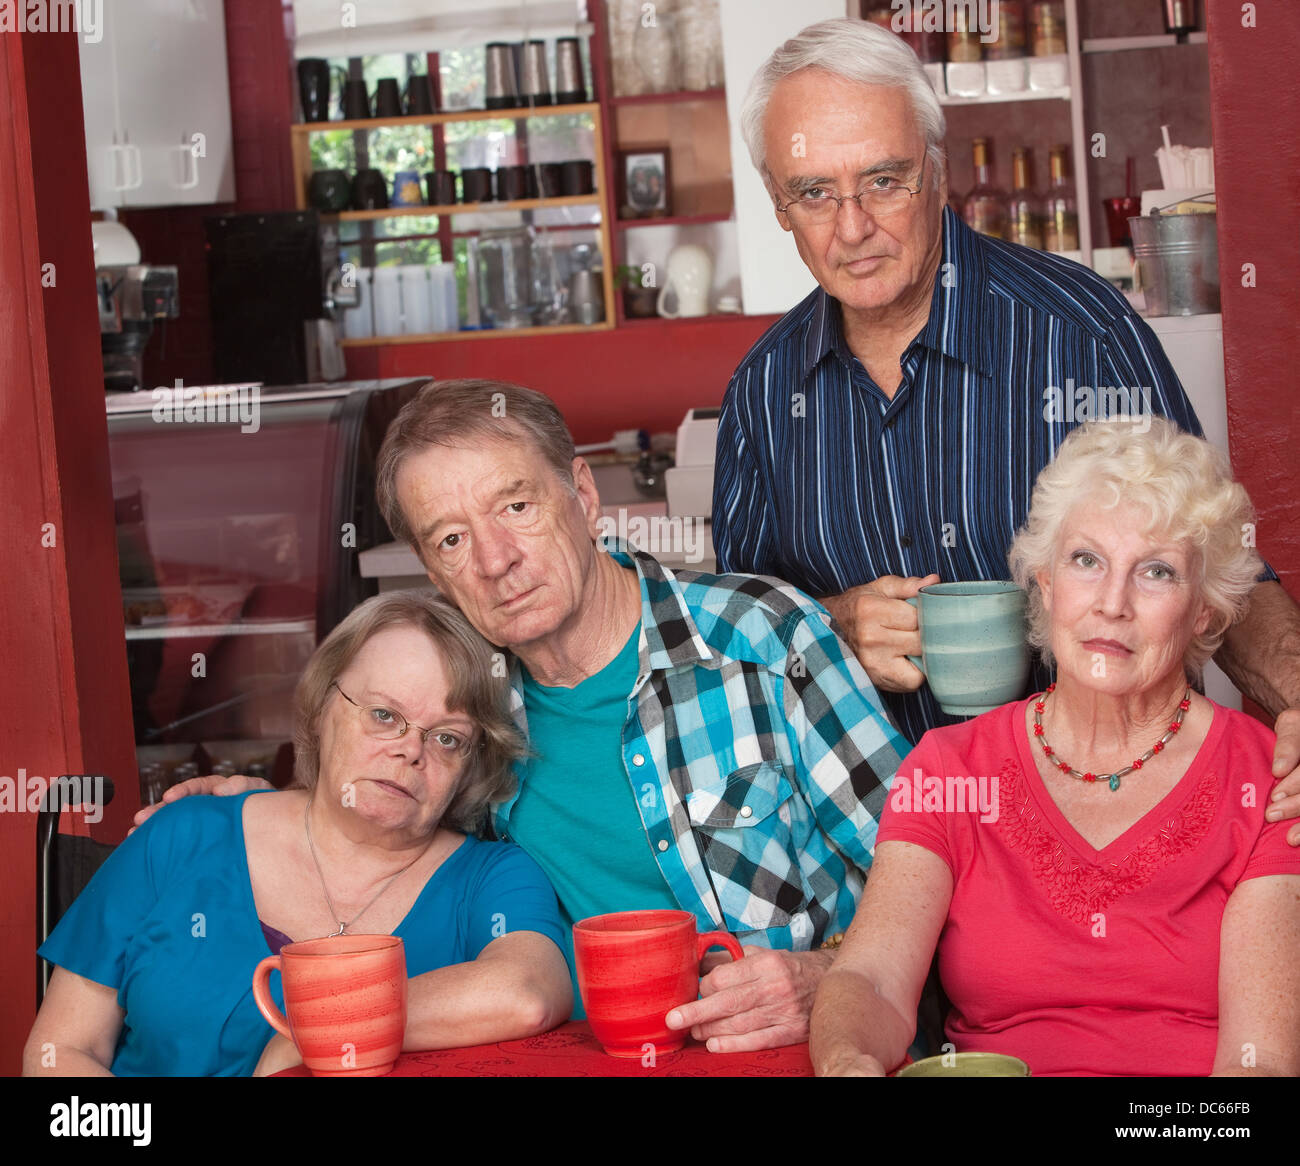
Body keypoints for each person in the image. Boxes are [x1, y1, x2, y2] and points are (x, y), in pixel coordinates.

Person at [141, 377, 911, 1053]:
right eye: (451, 538)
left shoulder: (762, 637)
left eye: (516, 505)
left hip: (777, 1051)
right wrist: (261, 812)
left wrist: (824, 976)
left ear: (581, 494)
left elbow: (928, 864)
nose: (494, 559)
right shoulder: (456, 708)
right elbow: (382, 836)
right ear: (431, 568)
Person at [710, 19, 1300, 835]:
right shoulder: (763, 393)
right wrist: (831, 624)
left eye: (884, 181)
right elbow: (731, 648)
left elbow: (1224, 569)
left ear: (938, 172)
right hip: (879, 852)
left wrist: (1299, 696)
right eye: (815, 192)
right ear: (779, 204)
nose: (852, 228)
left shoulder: (1079, 334)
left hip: (1115, 830)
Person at [809, 419, 1300, 1077]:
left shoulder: (1268, 779)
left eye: (1156, 572)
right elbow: (869, 979)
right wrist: (847, 1059)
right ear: (1043, 579)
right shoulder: (949, 769)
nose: (1112, 604)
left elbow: (1260, 1063)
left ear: (1205, 610)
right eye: (1086, 561)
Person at [26, 591, 571, 1076]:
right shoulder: (181, 835)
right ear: (321, 708)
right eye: (383, 714)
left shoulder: (491, 878)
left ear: (472, 765)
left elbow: (528, 993)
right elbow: (59, 1052)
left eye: (448, 739)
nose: (410, 749)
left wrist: (313, 1030)